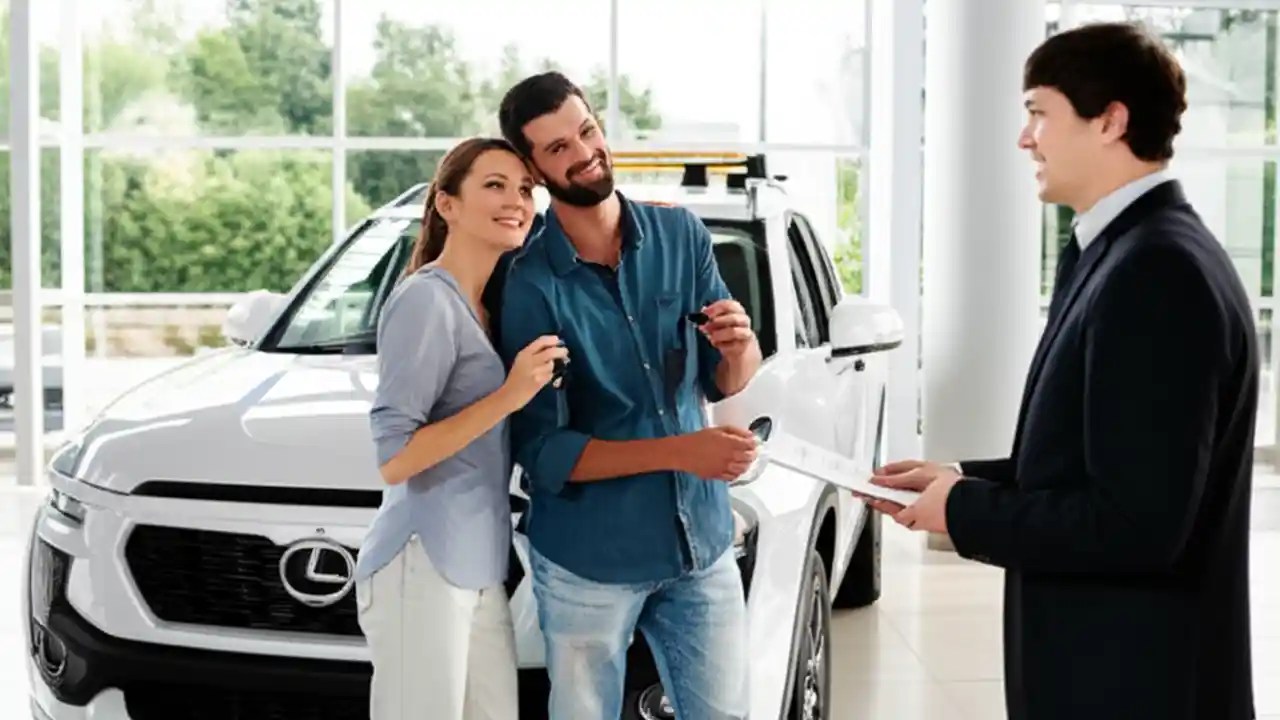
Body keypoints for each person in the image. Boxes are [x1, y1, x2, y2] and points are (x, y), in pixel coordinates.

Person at [864, 22, 1258, 720]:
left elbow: (1138, 526)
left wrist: (962, 510)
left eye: (1039, 112)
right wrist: (959, 478)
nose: (1025, 138)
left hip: (1132, 684)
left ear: (1110, 121)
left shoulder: (1157, 272)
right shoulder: (1118, 252)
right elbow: (1092, 463)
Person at [494, 71, 762, 720]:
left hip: (700, 543)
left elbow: (721, 378)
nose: (583, 152)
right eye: (557, 148)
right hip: (590, 558)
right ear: (533, 170)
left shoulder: (683, 237)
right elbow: (546, 453)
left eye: (586, 131)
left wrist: (741, 349)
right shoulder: (528, 285)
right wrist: (681, 452)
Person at [354, 137, 569, 720]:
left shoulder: (486, 307)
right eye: (494, 185)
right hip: (421, 560)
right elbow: (395, 457)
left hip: (478, 566)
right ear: (446, 204)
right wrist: (510, 395)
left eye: (525, 189)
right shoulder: (426, 300)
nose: (516, 201)